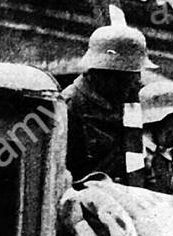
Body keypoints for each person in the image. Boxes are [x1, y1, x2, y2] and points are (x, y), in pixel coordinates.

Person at [63, 23, 154, 182]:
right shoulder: (69, 106)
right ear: (108, 74)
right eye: (130, 74)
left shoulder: (128, 103)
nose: (137, 82)